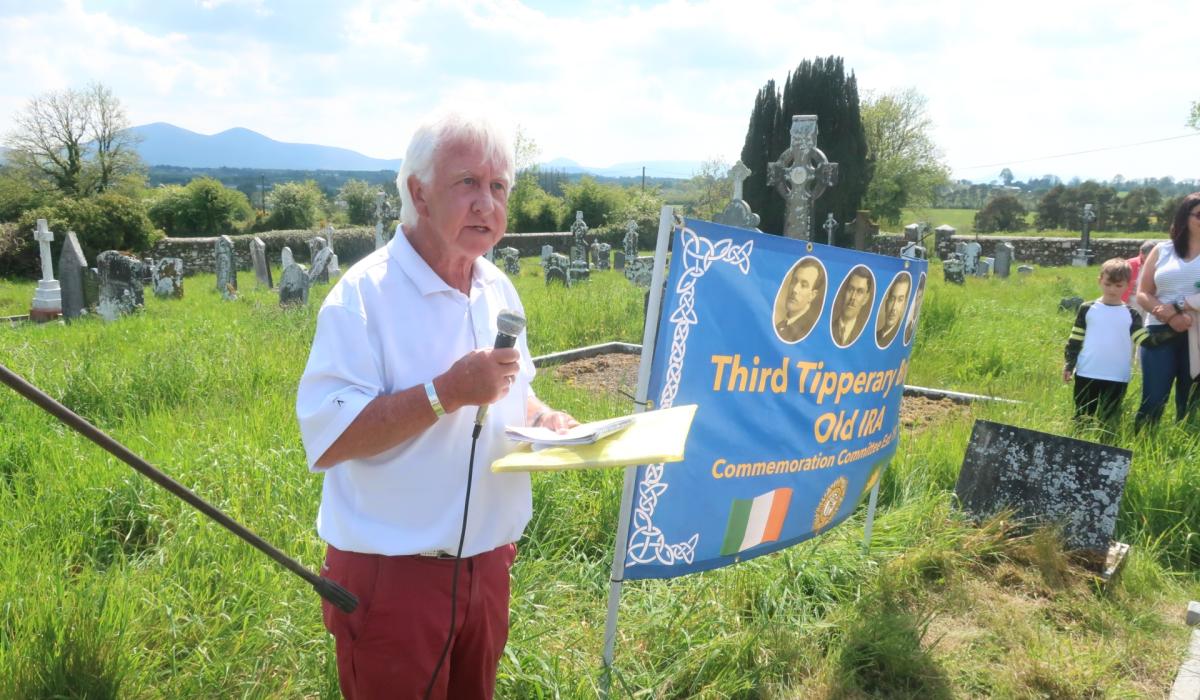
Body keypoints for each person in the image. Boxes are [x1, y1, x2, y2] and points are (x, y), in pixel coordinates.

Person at [296, 110, 579, 699]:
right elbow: (331, 437)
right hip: (393, 576)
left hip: (488, 564)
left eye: (499, 186)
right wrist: (445, 393)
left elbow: (512, 393)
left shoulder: (497, 287)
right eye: (468, 183)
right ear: (419, 194)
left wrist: (543, 417)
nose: (487, 203)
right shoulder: (362, 298)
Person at [1134, 192, 1200, 429]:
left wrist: (1180, 306)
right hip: (1159, 330)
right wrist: (1170, 316)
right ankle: (1142, 448)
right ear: (1185, 217)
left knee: (1191, 401)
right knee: (1153, 397)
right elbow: (1143, 292)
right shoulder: (1162, 250)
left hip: (1197, 334)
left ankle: (1184, 455)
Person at [1061, 258, 1144, 428]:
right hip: (1086, 372)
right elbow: (1075, 339)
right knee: (1082, 418)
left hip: (1117, 376)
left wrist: (1168, 333)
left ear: (1128, 285)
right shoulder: (1087, 308)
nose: (1112, 289)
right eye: (1108, 284)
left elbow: (1143, 340)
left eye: (1118, 285)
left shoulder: (1132, 314)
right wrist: (1069, 365)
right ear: (1100, 281)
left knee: (1108, 421)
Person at [773, 257, 825, 342]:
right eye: (794, 281)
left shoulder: (807, 330)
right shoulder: (781, 325)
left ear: (812, 295)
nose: (795, 289)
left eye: (804, 285)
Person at [830, 266, 874, 347]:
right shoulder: (829, 328)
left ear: (866, 298)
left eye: (860, 292)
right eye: (850, 289)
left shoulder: (866, 337)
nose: (853, 297)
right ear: (844, 292)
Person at [875, 272, 911, 347]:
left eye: (900, 300)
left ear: (904, 305)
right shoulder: (875, 335)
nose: (894, 308)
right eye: (892, 299)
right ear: (886, 303)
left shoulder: (901, 338)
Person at [1123, 239, 1156, 306]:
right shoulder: (1129, 264)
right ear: (1141, 253)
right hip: (1131, 302)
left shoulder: (1160, 265)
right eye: (1147, 257)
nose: (1149, 260)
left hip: (1151, 302)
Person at [903, 273, 927, 346]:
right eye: (916, 297)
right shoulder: (906, 322)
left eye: (920, 297)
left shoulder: (913, 323)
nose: (917, 302)